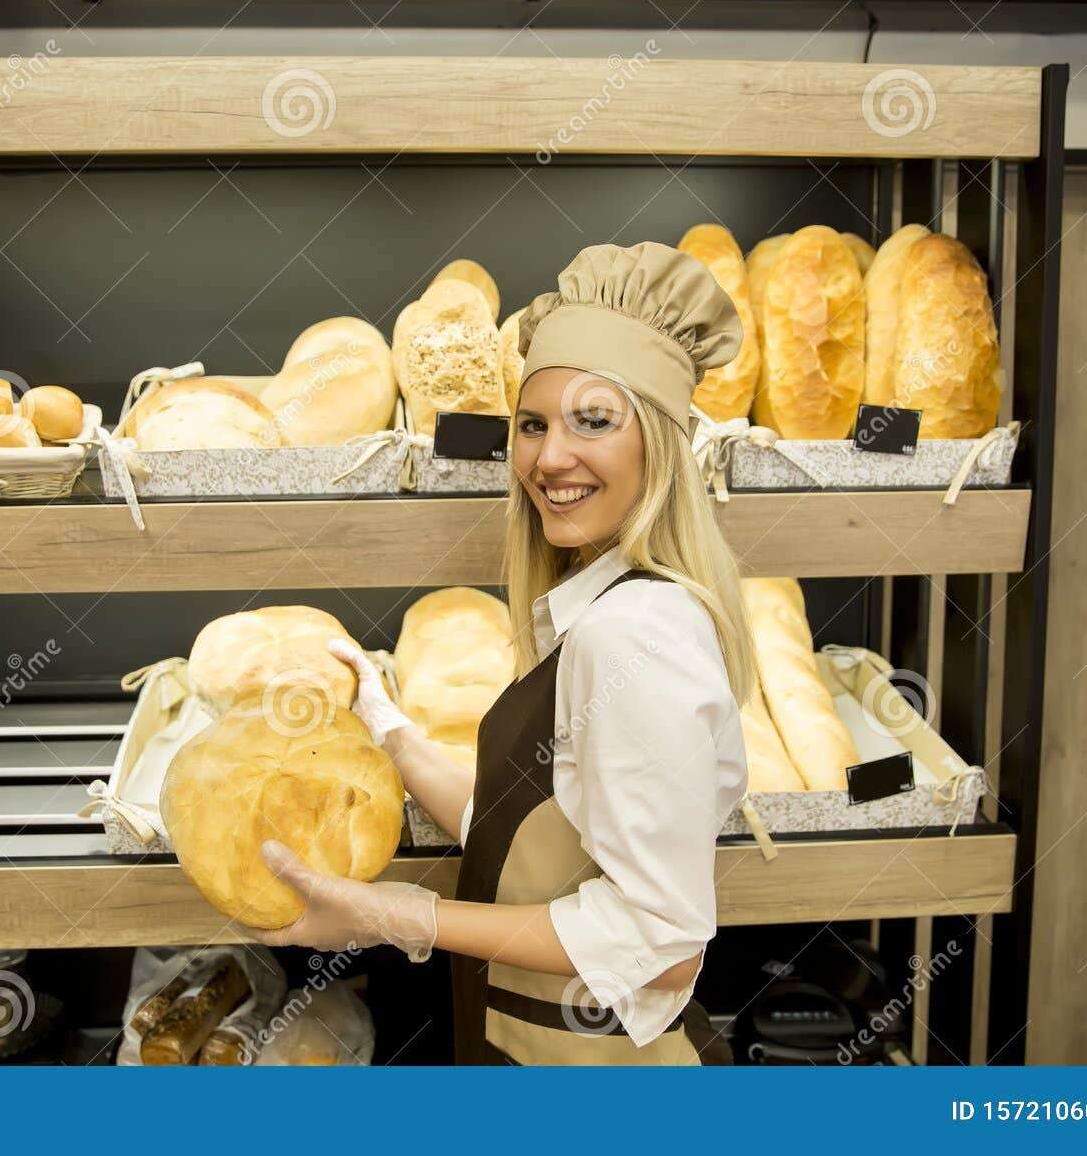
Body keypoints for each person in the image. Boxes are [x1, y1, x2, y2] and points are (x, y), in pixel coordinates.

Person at [244, 240, 756, 1065]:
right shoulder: (603, 611)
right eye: (532, 425)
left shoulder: (636, 637)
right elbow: (530, 846)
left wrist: (399, 915)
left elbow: (664, 939)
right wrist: (387, 725)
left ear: (657, 442)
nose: (549, 458)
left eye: (593, 421)